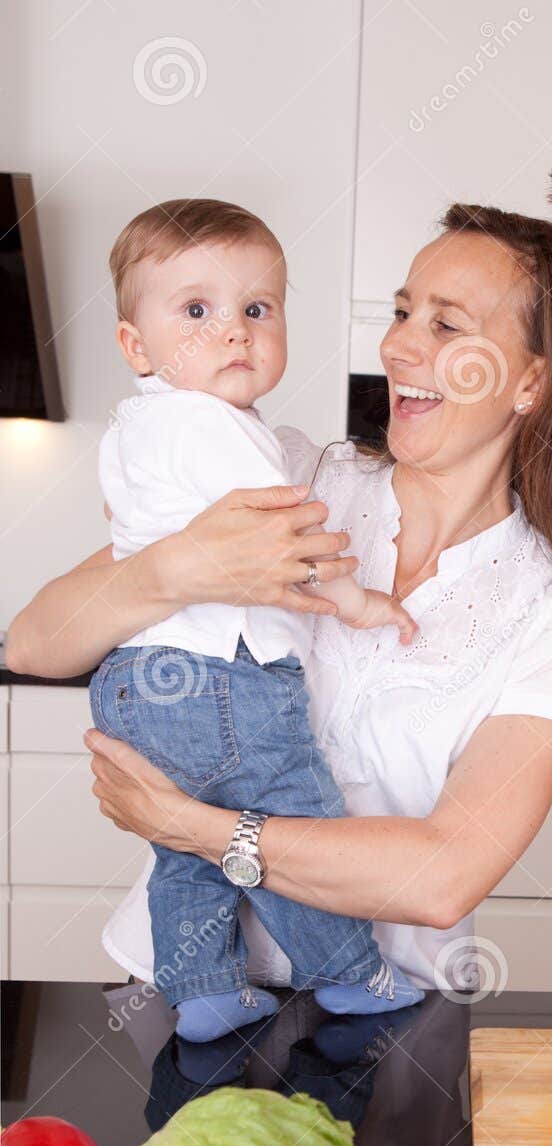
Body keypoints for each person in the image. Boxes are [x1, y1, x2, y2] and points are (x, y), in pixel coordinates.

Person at [7, 205, 552, 994]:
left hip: (383, 1030)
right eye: (402, 311)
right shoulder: (286, 476)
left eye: (447, 325)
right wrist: (178, 567)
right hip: (175, 990)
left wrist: (193, 830)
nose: (399, 345)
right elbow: (33, 643)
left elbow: (442, 874)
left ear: (532, 380)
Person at [95, 198, 421, 1040]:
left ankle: (205, 992)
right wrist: (354, 599)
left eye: (257, 309)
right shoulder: (219, 427)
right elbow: (287, 533)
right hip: (224, 678)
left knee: (189, 844)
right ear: (138, 344)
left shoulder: (135, 426)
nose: (234, 331)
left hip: (137, 680)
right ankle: (348, 975)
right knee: (290, 823)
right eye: (196, 312)